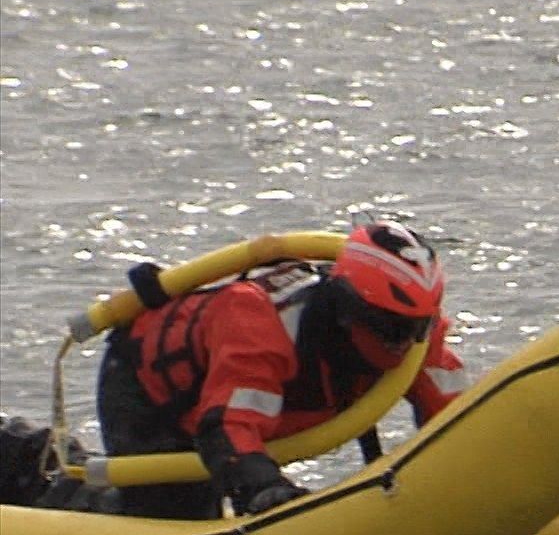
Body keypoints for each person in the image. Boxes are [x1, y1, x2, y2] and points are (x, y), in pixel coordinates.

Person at [1, 220, 467, 519]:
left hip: (219, 407)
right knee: (167, 515)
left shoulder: (416, 338)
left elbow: (459, 422)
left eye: (416, 327)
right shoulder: (260, 326)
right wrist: (266, 492)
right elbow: (230, 430)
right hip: (149, 388)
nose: (402, 343)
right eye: (389, 327)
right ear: (346, 312)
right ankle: (28, 466)